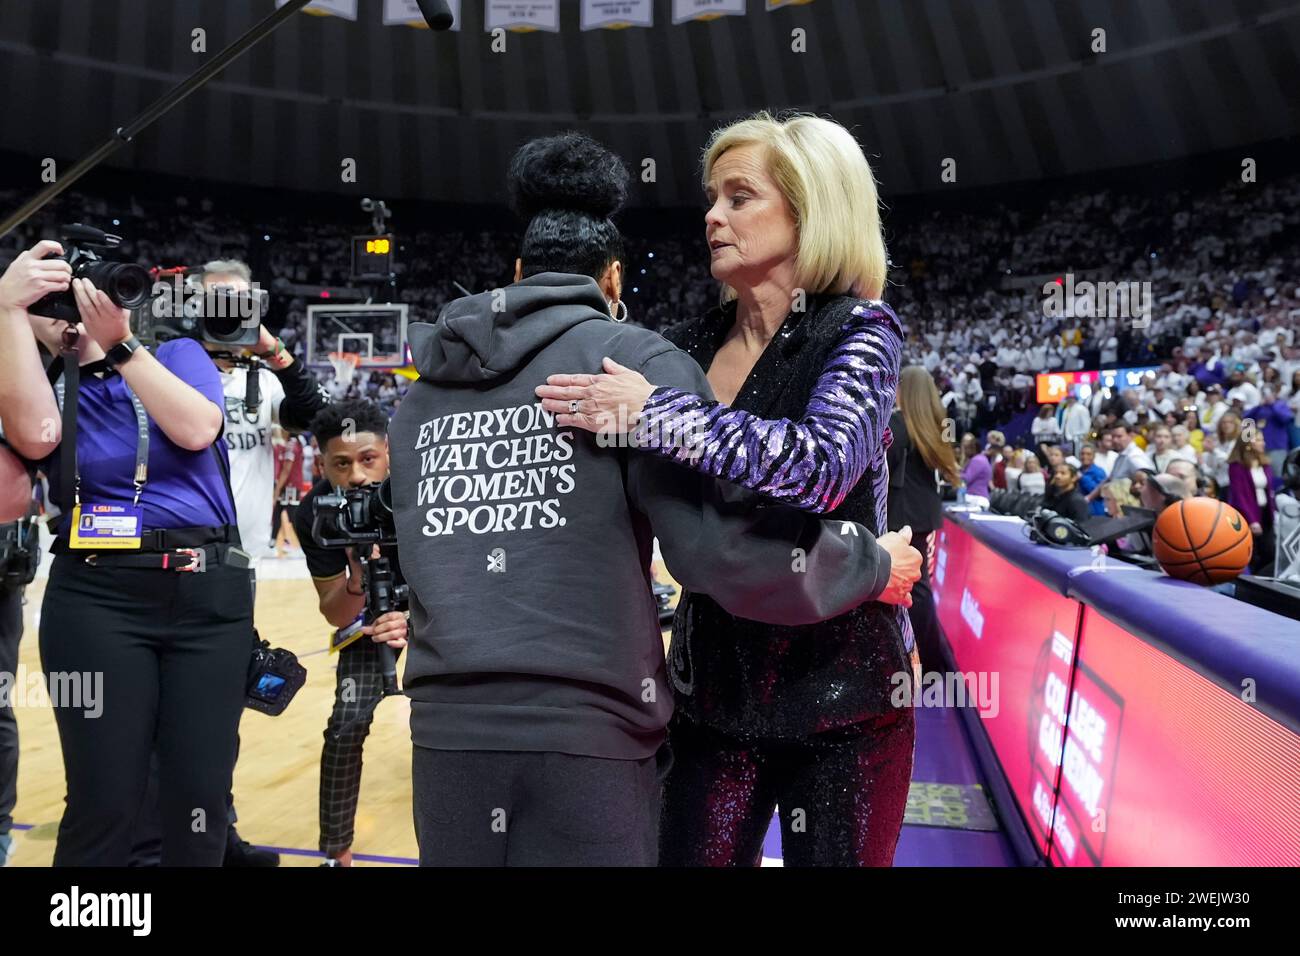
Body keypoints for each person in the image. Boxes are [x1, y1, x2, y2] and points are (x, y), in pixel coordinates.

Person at [531, 115, 921, 866]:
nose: (713, 215)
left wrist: (656, 413)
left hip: (847, 697)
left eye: (740, 196)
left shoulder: (860, 330)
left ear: (812, 209)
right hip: (710, 692)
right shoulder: (684, 344)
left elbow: (819, 465)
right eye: (712, 197)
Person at [0, 241, 252, 866]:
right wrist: (6, 308)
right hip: (96, 597)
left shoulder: (177, 353)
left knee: (199, 796)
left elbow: (195, 428)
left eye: (83, 297)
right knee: (103, 798)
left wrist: (119, 344)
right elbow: (36, 437)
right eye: (49, 303)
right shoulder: (48, 382)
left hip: (206, 592)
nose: (69, 313)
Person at [292, 399, 404, 867]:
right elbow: (337, 614)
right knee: (346, 722)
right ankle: (336, 853)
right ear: (321, 466)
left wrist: (413, 618)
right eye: (341, 464)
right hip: (373, 610)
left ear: (390, 453)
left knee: (460, 714)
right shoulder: (313, 513)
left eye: (367, 459)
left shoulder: (421, 487)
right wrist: (357, 572)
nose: (356, 475)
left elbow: (464, 576)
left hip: (442, 603)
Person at [885, 366, 961, 671]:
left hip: (903, 514)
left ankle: (926, 660)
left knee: (911, 588)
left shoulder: (897, 424)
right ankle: (930, 659)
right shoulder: (936, 424)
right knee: (918, 587)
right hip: (922, 514)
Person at [1227, 432, 1278, 574]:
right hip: (1247, 515)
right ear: (1248, 444)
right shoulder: (1236, 466)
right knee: (1251, 554)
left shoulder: (1264, 463)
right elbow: (1240, 496)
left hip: (1265, 514)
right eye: (1259, 440)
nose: (1263, 443)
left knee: (1269, 552)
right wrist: (1252, 520)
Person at [1077, 443, 1109, 516]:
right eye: (1082, 454)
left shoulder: (1099, 472)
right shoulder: (1077, 471)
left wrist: (1083, 478)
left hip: (1095, 512)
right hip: (1081, 511)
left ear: (1094, 456)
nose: (1085, 456)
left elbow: (1100, 492)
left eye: (1088, 454)